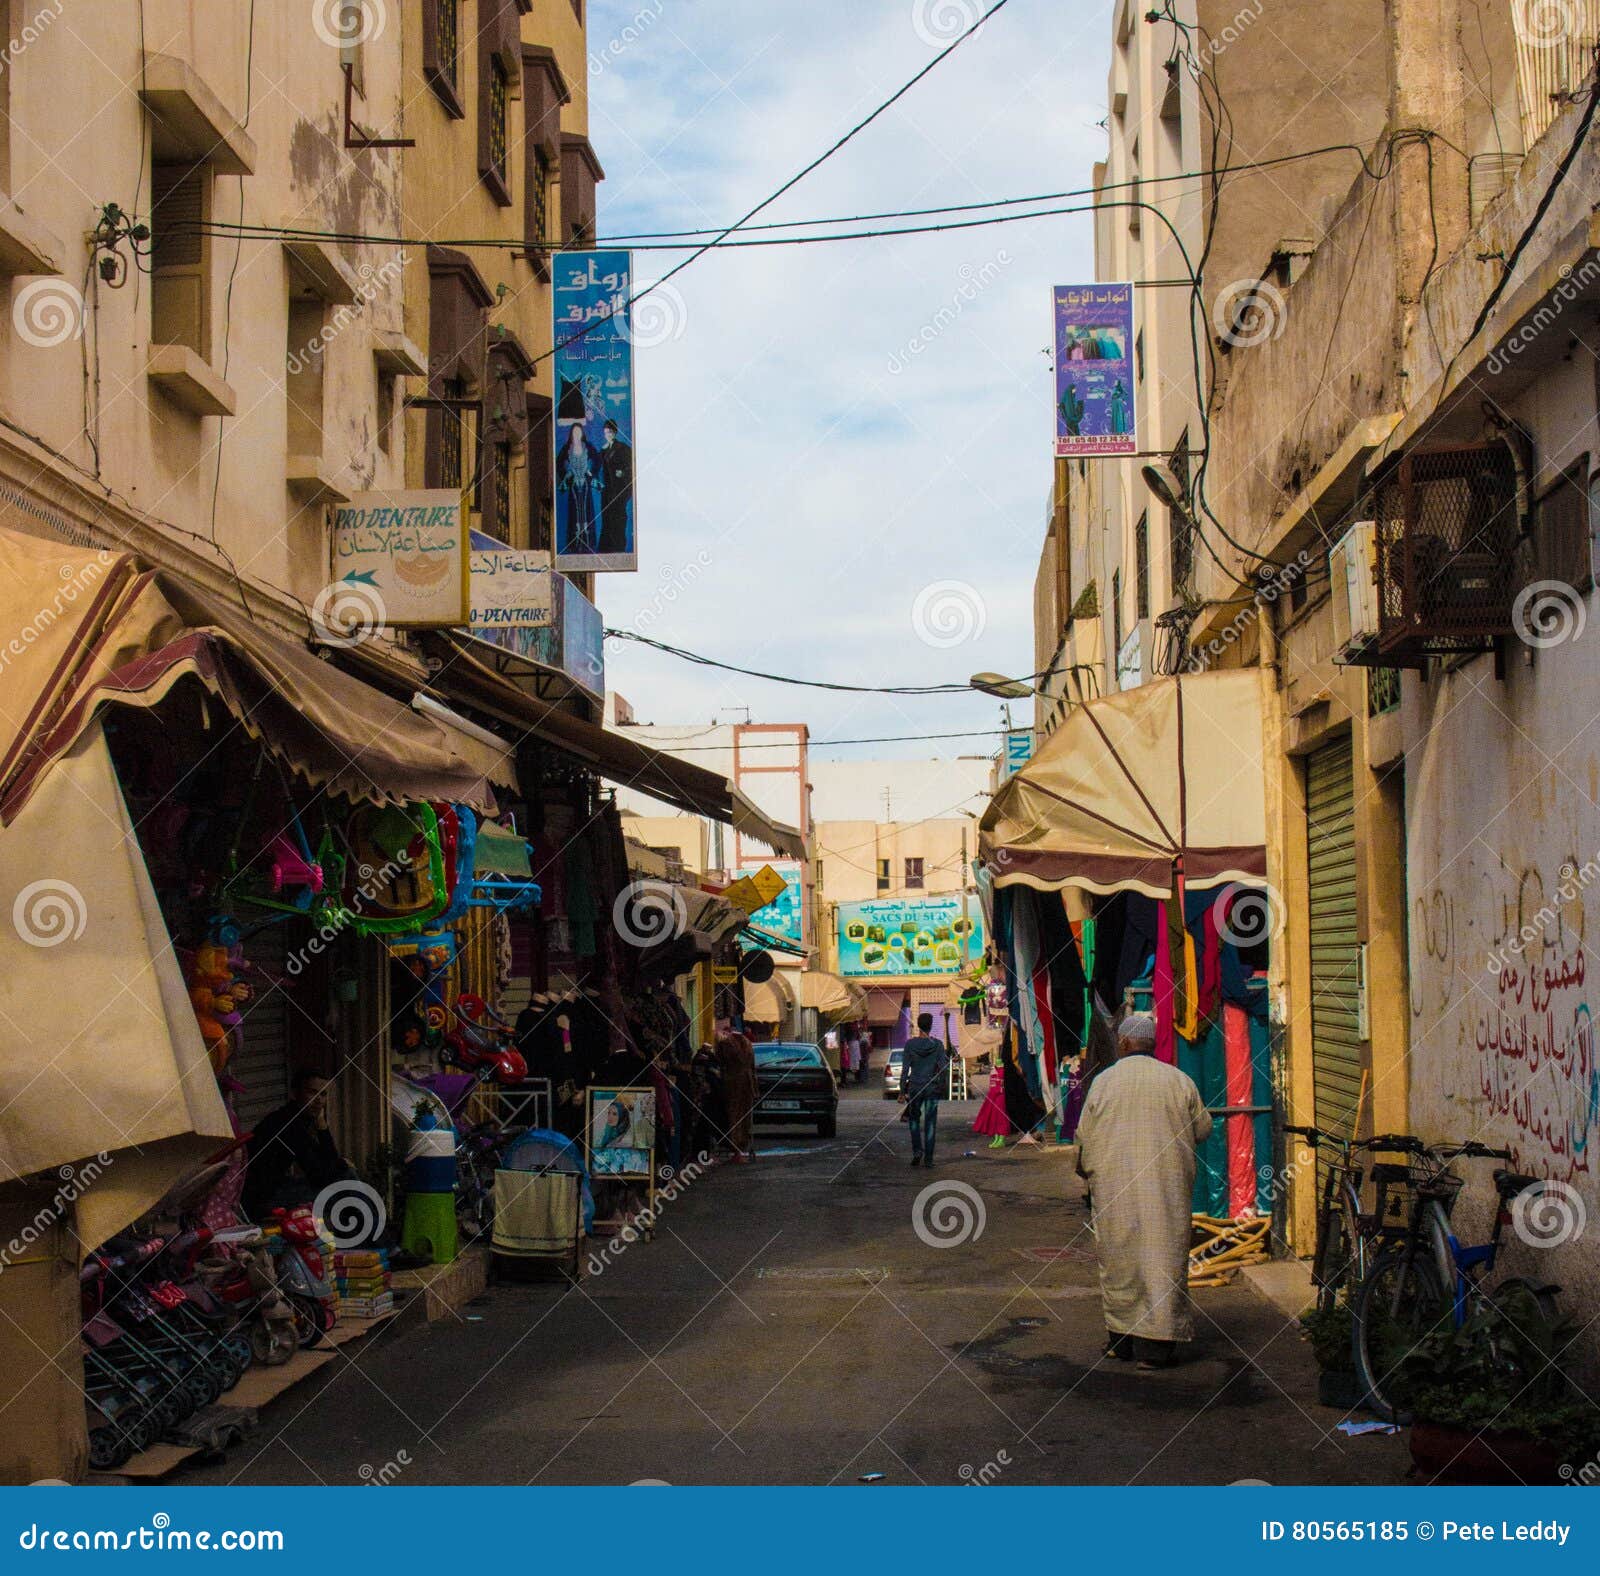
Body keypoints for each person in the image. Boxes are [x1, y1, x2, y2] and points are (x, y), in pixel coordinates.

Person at [1074, 1012, 1213, 1371]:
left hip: (1114, 1187)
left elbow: (1083, 1138)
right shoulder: (1178, 1080)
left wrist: (1085, 1172)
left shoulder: (1104, 1083)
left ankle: (1121, 1341)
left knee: (1120, 1261)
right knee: (1162, 1260)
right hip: (1166, 1189)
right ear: (1153, 1044)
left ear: (1122, 1043)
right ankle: (1157, 1348)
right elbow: (1203, 1128)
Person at [242, 1069, 353, 1219]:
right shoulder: (287, 1124)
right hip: (263, 1199)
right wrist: (341, 1165)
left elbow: (326, 1162)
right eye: (312, 1093)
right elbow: (319, 1175)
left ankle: (369, 1235)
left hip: (274, 1188)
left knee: (344, 1180)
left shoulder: (296, 1119)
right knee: (344, 1185)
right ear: (295, 1094)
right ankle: (372, 1238)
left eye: (323, 1094)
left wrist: (322, 1126)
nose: (319, 1100)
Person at [898, 1012, 950, 1167]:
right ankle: (929, 1159)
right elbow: (943, 1069)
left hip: (915, 1087)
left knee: (913, 1120)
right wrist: (942, 1086)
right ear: (931, 1026)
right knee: (930, 1123)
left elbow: (905, 1069)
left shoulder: (910, 1045)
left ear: (919, 1025)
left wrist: (902, 1090)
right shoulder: (938, 1045)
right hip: (932, 1088)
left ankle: (917, 1151)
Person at [714, 1024, 758, 1162]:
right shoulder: (747, 1043)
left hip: (732, 1083)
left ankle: (736, 1149)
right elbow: (752, 1066)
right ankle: (742, 1147)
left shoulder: (725, 1044)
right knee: (745, 1116)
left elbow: (720, 1062)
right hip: (747, 1083)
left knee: (733, 1115)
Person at [557, 423, 599, 554]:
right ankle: (575, 543)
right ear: (571, 434)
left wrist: (591, 473)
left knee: (586, 511)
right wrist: (566, 475)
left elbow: (597, 460)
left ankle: (588, 542)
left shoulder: (588, 447)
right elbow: (559, 463)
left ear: (582, 434)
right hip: (574, 484)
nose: (576, 434)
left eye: (578, 432)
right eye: (574, 432)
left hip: (585, 484)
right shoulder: (567, 448)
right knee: (575, 512)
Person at [597, 419, 633, 555]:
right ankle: (606, 548)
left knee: (618, 519)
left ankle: (618, 548)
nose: (608, 435)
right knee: (607, 519)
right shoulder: (602, 450)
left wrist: (622, 472)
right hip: (606, 492)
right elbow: (599, 469)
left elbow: (631, 468)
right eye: (606, 432)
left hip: (619, 491)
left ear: (615, 432)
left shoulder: (623, 448)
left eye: (611, 432)